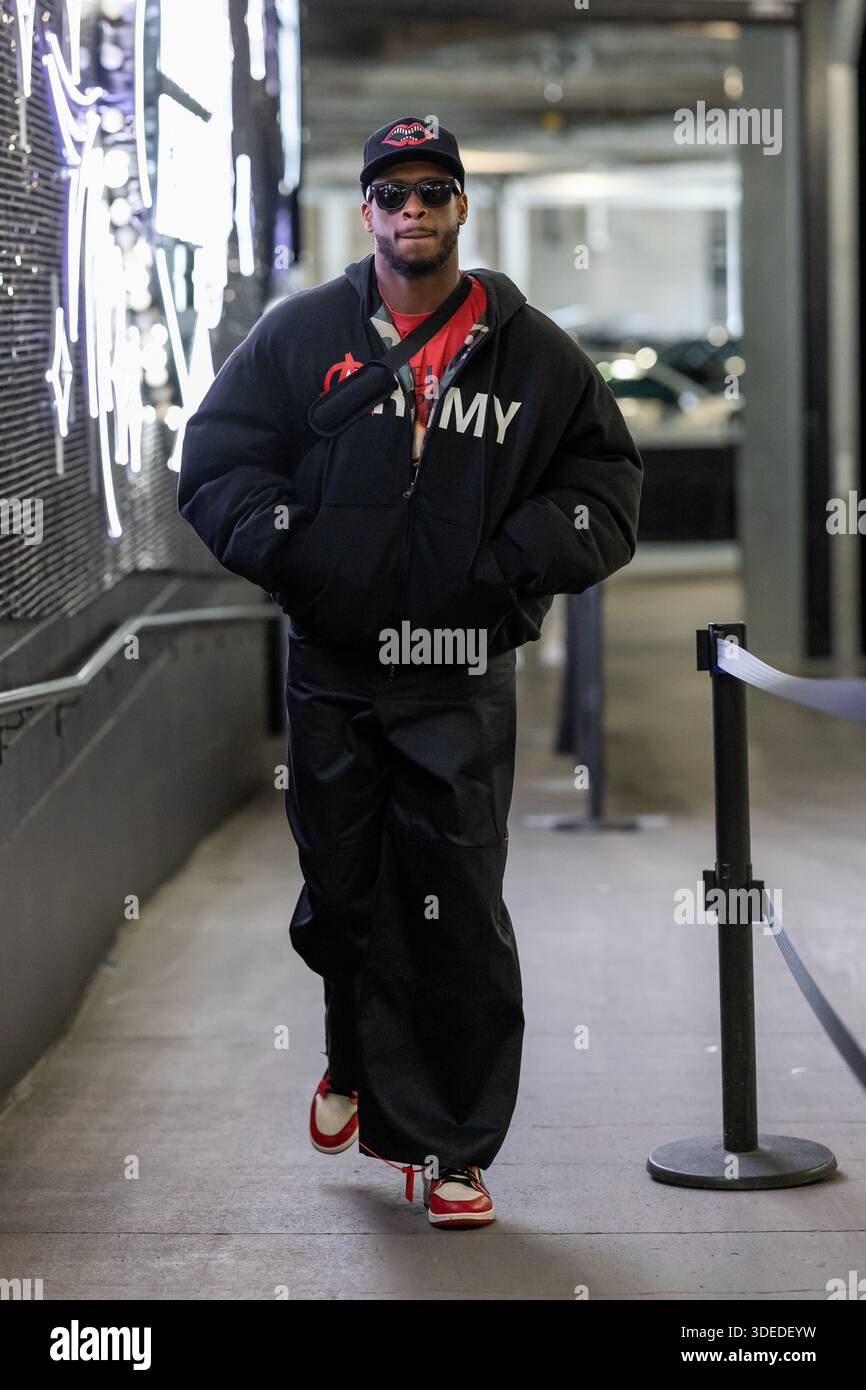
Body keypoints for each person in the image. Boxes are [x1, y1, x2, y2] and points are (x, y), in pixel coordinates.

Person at [177, 116, 643, 1229]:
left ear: (460, 209)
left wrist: (505, 567)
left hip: (459, 669)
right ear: (368, 212)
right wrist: (299, 548)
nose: (413, 211)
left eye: (433, 190)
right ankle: (348, 1054)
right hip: (335, 663)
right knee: (343, 895)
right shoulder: (303, 336)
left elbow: (607, 483)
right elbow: (217, 459)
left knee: (456, 904)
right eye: (393, 193)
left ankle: (451, 1149)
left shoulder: (532, 352)